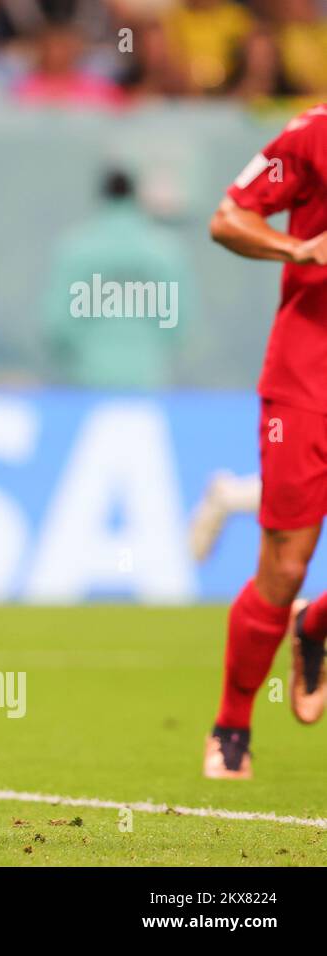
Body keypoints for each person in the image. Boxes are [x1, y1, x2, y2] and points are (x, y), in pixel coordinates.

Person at [204, 102, 327, 778]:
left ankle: (315, 627)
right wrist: (297, 246)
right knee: (285, 566)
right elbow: (228, 218)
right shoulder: (314, 135)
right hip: (309, 379)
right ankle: (232, 723)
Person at [43, 168, 192, 389]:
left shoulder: (75, 249)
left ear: (101, 197)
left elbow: (56, 324)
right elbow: (180, 322)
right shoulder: (165, 251)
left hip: (86, 380)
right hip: (147, 379)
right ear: (136, 198)